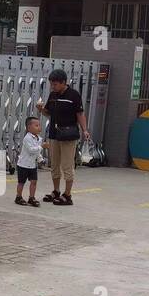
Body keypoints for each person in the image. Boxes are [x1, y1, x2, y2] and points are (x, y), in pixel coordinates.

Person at [36, 69, 90, 205]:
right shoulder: (53, 95)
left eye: (55, 84)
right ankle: (56, 191)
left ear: (63, 82)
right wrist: (41, 109)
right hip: (54, 134)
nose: (53, 87)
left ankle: (68, 194)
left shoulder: (73, 95)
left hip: (68, 135)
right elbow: (49, 113)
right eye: (51, 84)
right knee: (54, 164)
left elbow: (80, 114)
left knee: (67, 165)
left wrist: (85, 130)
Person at [15, 116, 44, 207]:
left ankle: (32, 197)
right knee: (21, 182)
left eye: (39, 125)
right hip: (23, 164)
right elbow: (31, 150)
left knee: (34, 181)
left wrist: (40, 159)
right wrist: (42, 146)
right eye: (36, 125)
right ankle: (18, 197)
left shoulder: (39, 139)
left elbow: (37, 152)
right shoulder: (27, 138)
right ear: (29, 128)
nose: (39, 127)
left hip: (32, 165)